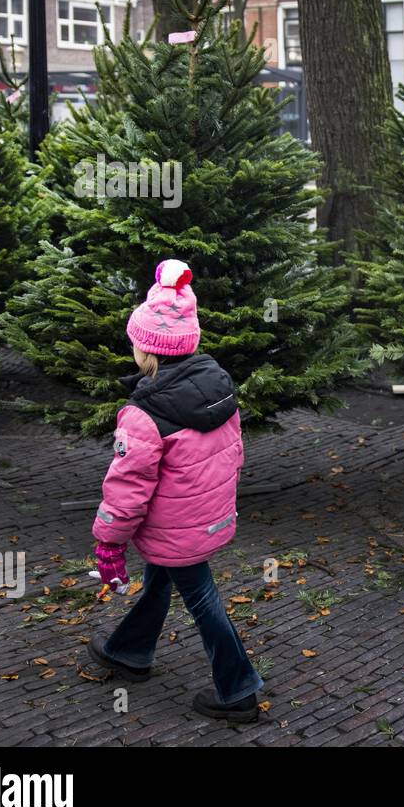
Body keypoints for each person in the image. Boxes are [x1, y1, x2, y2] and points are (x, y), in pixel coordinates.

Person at [87, 259, 263, 723]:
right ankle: (130, 650)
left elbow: (127, 487)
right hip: (209, 517)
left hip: (174, 527)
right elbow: (234, 455)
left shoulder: (144, 414)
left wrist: (109, 541)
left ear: (148, 351)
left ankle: (239, 690)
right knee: (162, 578)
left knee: (202, 598)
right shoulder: (218, 388)